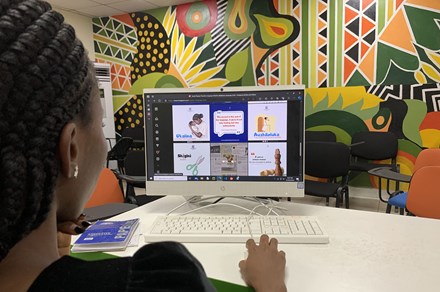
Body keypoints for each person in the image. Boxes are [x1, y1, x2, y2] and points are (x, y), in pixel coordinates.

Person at [0, 1, 286, 291]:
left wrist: (54, 249)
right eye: (101, 126)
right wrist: (270, 283)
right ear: (71, 149)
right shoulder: (159, 280)